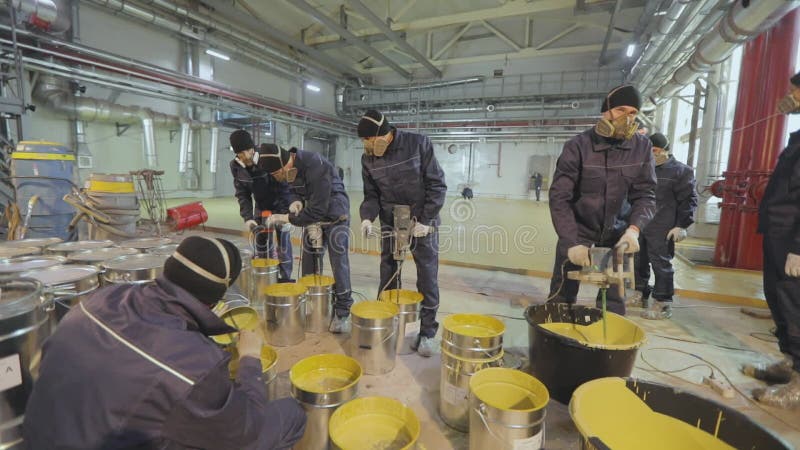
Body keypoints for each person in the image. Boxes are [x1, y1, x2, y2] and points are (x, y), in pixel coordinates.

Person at [23, 236, 306, 449]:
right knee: (290, 414)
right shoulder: (193, 365)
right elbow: (245, 428)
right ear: (215, 298)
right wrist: (249, 360)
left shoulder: (98, 300)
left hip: (39, 437)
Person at [548, 84, 656, 315]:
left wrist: (634, 230)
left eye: (633, 113)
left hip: (619, 232)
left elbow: (646, 194)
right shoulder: (578, 146)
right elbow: (560, 197)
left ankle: (607, 341)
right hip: (579, 229)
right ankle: (556, 333)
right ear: (605, 111)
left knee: (614, 300)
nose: (626, 118)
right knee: (561, 295)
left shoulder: (642, 148)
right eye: (620, 110)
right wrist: (570, 241)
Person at [357, 110, 447, 357]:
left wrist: (428, 221)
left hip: (421, 221)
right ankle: (386, 323)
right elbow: (372, 194)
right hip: (390, 220)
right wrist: (367, 217)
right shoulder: (368, 158)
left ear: (383, 135)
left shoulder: (418, 144)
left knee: (427, 276)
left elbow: (437, 184)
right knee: (388, 271)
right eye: (363, 142)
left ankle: (427, 333)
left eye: (368, 140)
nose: (366, 146)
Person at [742, 71, 800, 409]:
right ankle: (790, 363)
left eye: (795, 89)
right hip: (778, 233)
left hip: (793, 239)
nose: (790, 93)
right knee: (778, 299)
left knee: (795, 305)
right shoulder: (797, 137)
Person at [258, 145, 354, 333]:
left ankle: (342, 311)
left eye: (277, 173)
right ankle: (310, 306)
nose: (276, 178)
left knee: (338, 262)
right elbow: (294, 188)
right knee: (309, 262)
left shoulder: (315, 165)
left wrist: (286, 218)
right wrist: (296, 201)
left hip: (335, 216)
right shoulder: (290, 168)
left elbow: (319, 208)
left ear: (286, 164)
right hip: (312, 214)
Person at [631, 133, 698, 320]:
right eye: (648, 151)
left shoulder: (681, 171)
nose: (651, 155)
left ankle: (663, 303)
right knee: (638, 262)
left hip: (664, 227)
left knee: (661, 264)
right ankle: (640, 294)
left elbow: (689, 200)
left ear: (665, 150)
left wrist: (682, 225)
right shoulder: (643, 169)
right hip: (641, 224)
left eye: (655, 151)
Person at [229, 130, 294, 282]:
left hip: (279, 205)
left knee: (283, 244)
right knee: (262, 244)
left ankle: (285, 278)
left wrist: (285, 215)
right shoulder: (236, 167)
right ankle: (266, 277)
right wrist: (248, 218)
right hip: (261, 207)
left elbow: (283, 186)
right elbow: (242, 194)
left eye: (246, 151)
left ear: (252, 148)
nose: (244, 157)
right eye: (239, 153)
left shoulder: (267, 157)